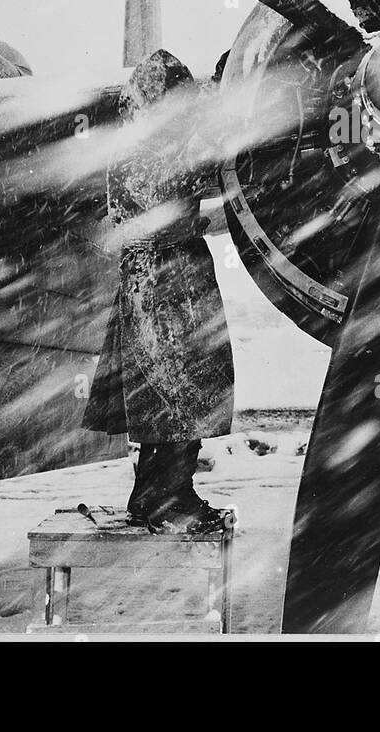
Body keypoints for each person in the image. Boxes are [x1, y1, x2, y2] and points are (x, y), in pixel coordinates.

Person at [83, 49, 234, 532]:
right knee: (181, 394)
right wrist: (226, 216)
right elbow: (165, 218)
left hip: (159, 279)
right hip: (166, 285)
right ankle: (170, 499)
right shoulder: (148, 151)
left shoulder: (142, 143)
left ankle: (156, 493)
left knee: (170, 398)